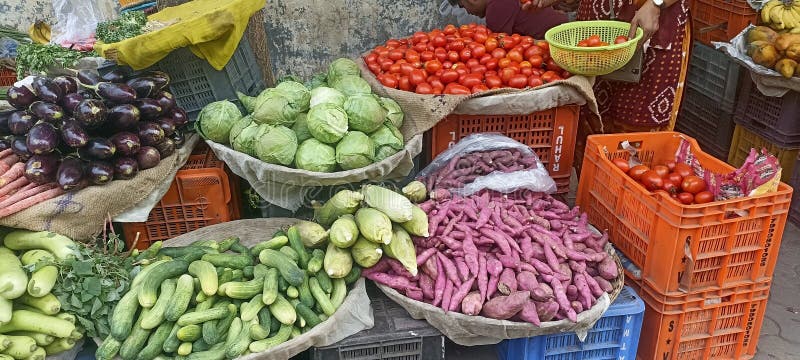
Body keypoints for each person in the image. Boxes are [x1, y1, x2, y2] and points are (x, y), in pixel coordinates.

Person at [524, 0, 691, 171]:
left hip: (650, 24)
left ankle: (631, 191)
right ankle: (592, 189)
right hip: (595, 24)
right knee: (588, 115)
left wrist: (656, 4)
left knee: (636, 128)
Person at [449, 0, 568, 39]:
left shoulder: (494, 9)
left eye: (463, 6)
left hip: (555, 40)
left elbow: (499, 46)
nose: (468, 12)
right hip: (564, 29)